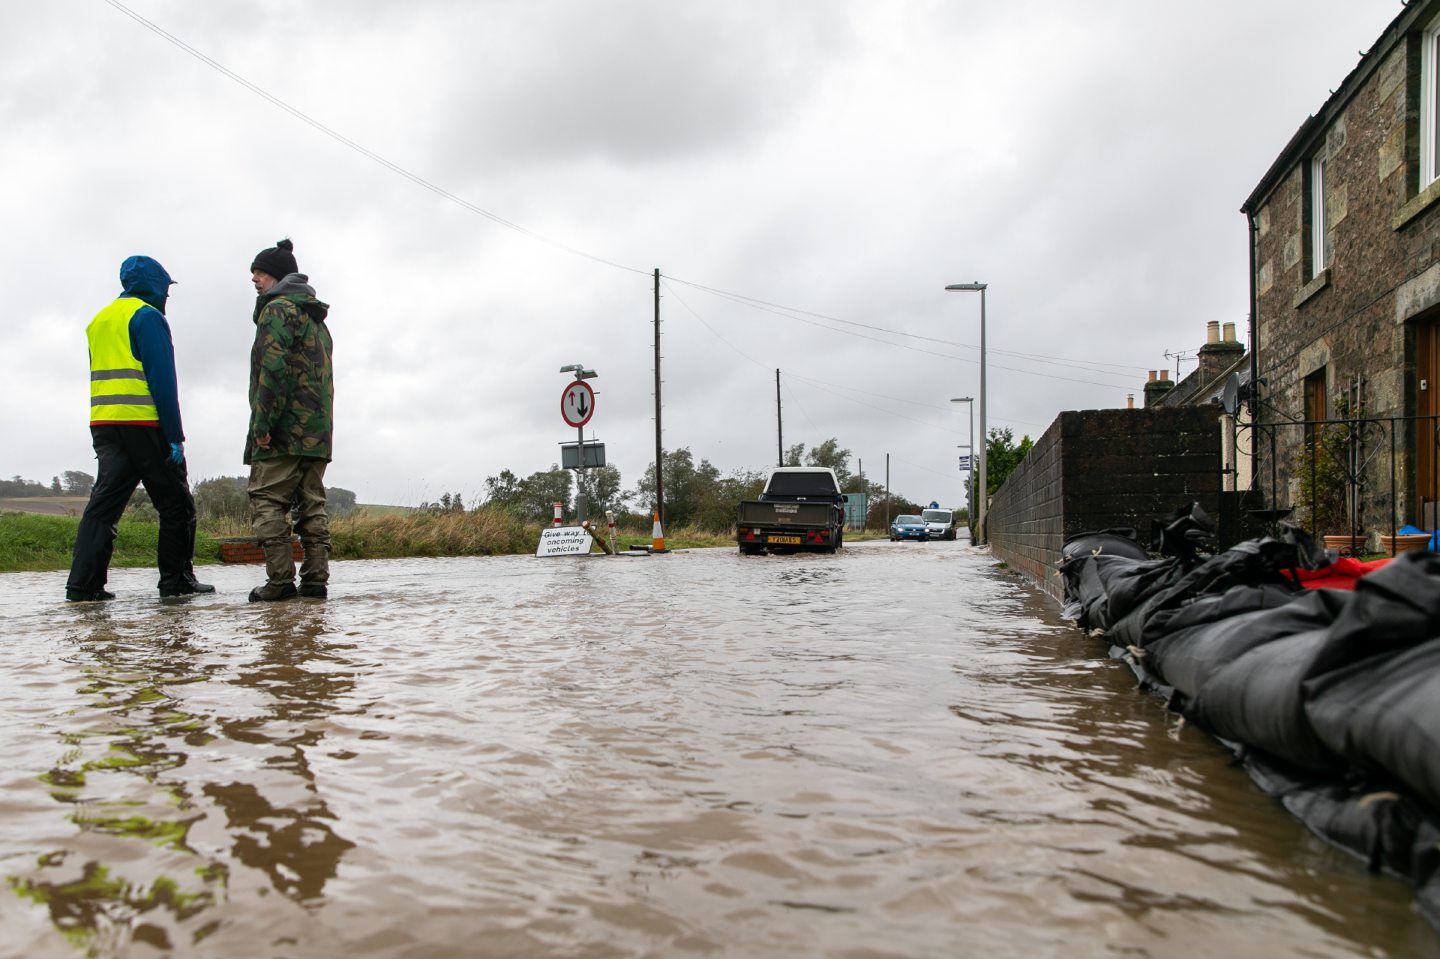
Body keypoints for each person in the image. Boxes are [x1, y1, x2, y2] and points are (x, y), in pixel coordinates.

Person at [67, 256, 214, 600]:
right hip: (145, 424)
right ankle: (176, 581)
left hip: (104, 423)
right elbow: (163, 381)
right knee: (177, 504)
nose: (167, 297)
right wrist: (175, 437)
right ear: (155, 285)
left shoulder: (98, 320)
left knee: (102, 509)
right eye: (166, 289)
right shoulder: (147, 317)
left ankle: (83, 586)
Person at [245, 238, 334, 601]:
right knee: (311, 505)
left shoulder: (277, 310)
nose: (254, 280)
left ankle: (280, 582)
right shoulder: (315, 318)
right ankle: (315, 581)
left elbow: (273, 368)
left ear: (278, 277)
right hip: (317, 433)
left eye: (260, 274)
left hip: (282, 431)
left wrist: (262, 426)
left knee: (267, 499)